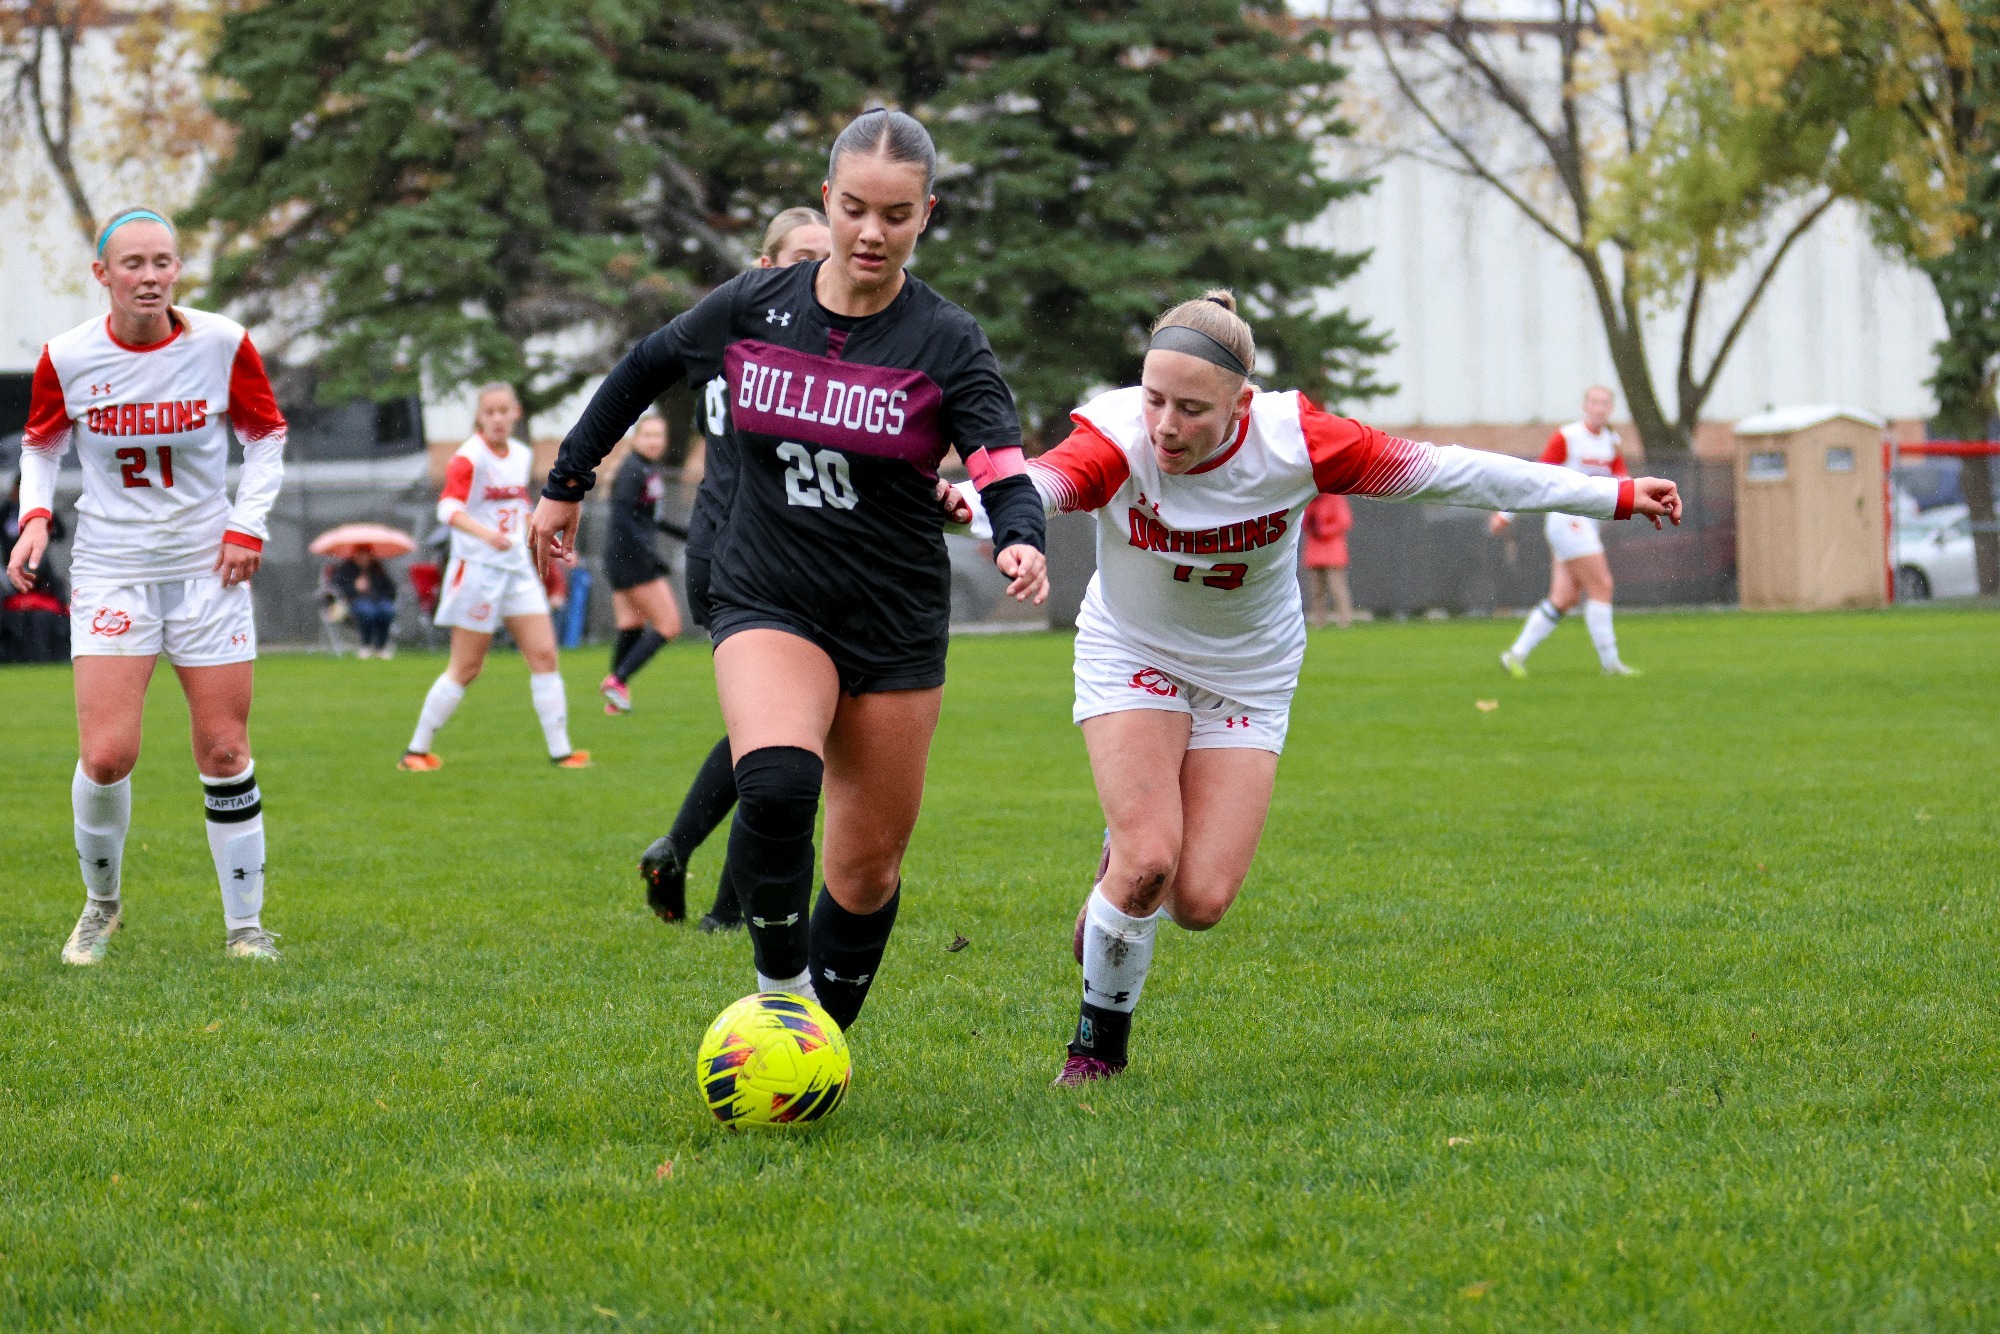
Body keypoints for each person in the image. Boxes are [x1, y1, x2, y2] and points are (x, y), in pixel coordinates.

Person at [957, 291, 1681, 1085]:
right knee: (1149, 863)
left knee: (1198, 902)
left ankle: (1124, 861)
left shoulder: (1297, 441)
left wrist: (1610, 495)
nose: (1165, 425)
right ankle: (1096, 1053)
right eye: (1156, 398)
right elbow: (1051, 481)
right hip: (1133, 649)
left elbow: (1450, 472)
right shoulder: (1120, 433)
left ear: (1243, 403)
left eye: (1192, 410)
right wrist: (991, 512)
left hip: (1249, 673)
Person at [529, 110, 1047, 1032]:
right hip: (768, 594)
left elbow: (1000, 460)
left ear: (927, 214)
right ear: (827, 200)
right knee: (772, 785)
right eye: (854, 208)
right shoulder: (751, 305)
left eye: (895, 214)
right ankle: (781, 998)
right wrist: (565, 484)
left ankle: (821, 1045)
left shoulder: (947, 339)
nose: (870, 233)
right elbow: (642, 368)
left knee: (863, 870)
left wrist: (1019, 533)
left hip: (891, 620)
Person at [7, 207, 289, 964]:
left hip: (208, 570)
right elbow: (41, 446)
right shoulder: (66, 356)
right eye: (132, 263)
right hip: (113, 570)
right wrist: (34, 517)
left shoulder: (221, 341)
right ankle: (102, 904)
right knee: (106, 755)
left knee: (226, 751)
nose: (150, 276)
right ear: (102, 275)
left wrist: (247, 524)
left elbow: (266, 437)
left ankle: (245, 927)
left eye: (162, 262)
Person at [638, 205, 831, 927]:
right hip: (746, 555)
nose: (815, 271)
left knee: (770, 730)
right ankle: (723, 904)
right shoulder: (781, 351)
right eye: (799, 258)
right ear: (763, 268)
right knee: (782, 733)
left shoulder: (729, 344)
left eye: (825, 256)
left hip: (722, 550)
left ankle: (693, 866)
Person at [399, 383, 590, 771]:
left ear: (516, 413)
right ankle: (416, 752)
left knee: (544, 655)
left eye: (504, 411)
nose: (498, 419)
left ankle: (562, 752)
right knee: (466, 667)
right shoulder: (469, 457)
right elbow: (447, 510)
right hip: (479, 572)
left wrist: (543, 535)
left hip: (516, 570)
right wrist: (488, 536)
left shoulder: (520, 455)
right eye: (490, 412)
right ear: (479, 417)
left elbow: (518, 507)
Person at [1492, 386, 1639, 676]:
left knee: (1564, 598)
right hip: (1568, 520)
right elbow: (1536, 476)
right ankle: (1610, 664)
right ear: (1585, 406)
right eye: (1594, 402)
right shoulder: (1568, 437)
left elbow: (1622, 479)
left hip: (1586, 524)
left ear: (1611, 408)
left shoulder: (1611, 441)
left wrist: (1640, 498)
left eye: (1605, 403)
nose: (1599, 408)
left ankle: (1514, 655)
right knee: (1602, 586)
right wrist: (1506, 514)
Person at [598, 414, 683, 712]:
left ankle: (615, 699)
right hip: (631, 559)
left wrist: (686, 534)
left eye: (659, 435)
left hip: (622, 557)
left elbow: (650, 517)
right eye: (648, 435)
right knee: (669, 625)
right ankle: (617, 680)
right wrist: (651, 556)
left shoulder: (647, 468)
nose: (654, 440)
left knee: (632, 624)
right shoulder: (633, 470)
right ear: (635, 439)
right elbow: (622, 519)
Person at [1300, 491, 1354, 628]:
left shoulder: (1335, 497)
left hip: (1332, 550)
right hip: (1314, 550)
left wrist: (1323, 530)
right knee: (1317, 590)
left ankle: (1344, 620)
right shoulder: (1310, 501)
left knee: (1337, 588)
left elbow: (1344, 521)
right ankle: (1319, 621)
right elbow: (1304, 521)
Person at [332, 547, 398, 657]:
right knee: (368, 612)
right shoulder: (346, 570)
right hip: (355, 601)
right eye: (360, 555)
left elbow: (390, 590)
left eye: (366, 555)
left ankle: (381, 646)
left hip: (378, 601)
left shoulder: (378, 570)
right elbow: (339, 589)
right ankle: (365, 645)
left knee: (387, 611)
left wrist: (376, 592)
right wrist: (355, 587)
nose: (364, 558)